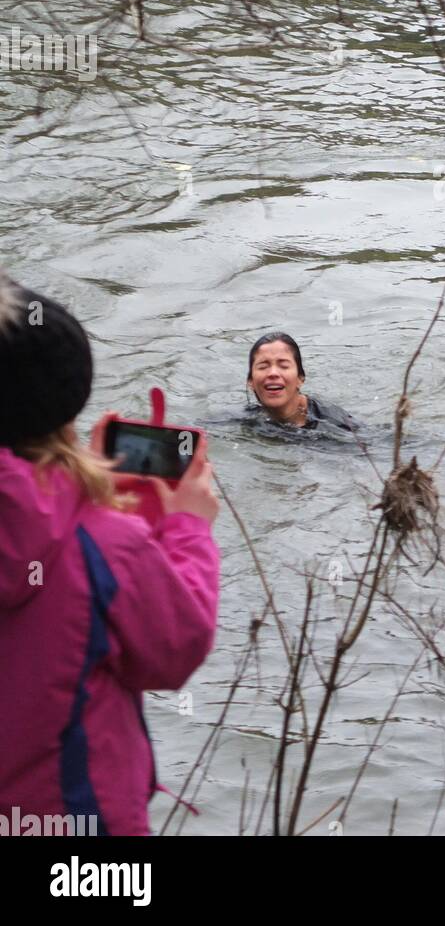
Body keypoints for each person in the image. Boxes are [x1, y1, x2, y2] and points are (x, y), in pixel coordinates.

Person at [0, 274, 220, 837]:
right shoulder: (103, 543)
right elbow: (174, 649)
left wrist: (77, 493)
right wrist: (186, 528)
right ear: (66, 406)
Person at [245, 332, 358, 435]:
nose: (273, 373)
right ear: (251, 382)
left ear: (300, 378)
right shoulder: (242, 419)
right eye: (263, 367)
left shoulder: (337, 423)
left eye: (284, 366)